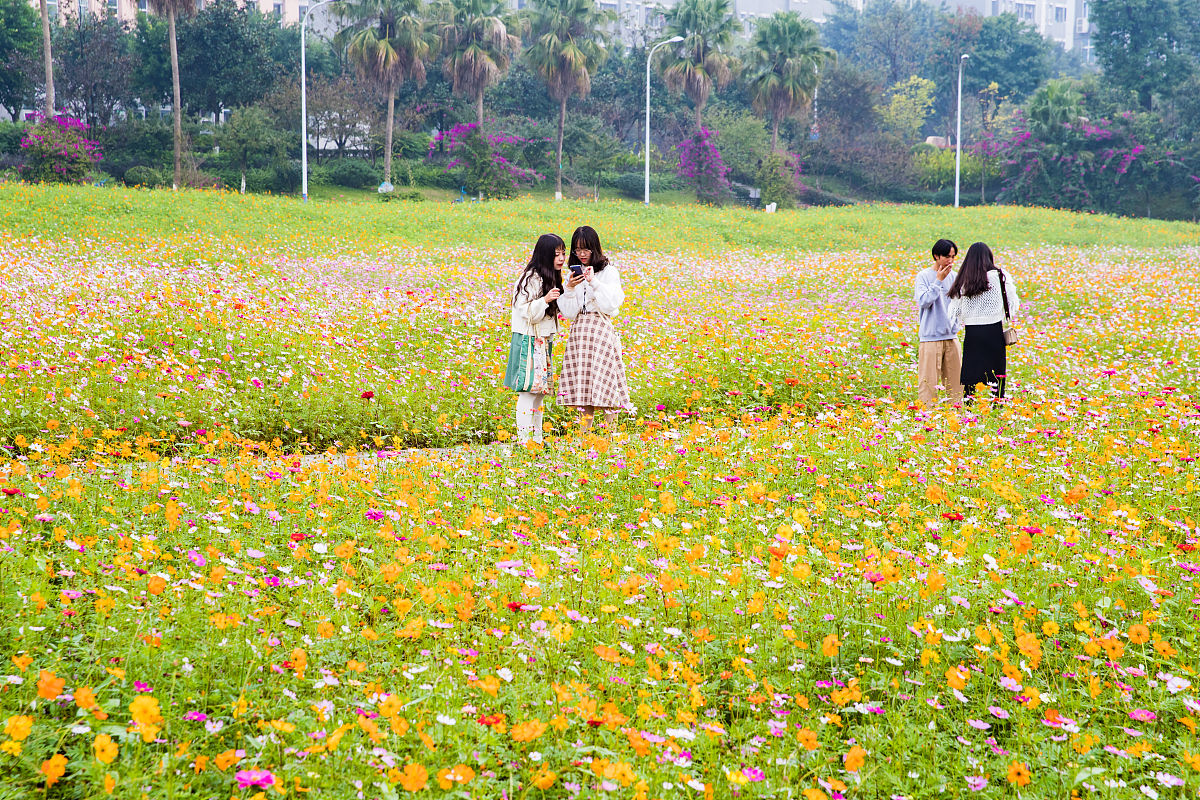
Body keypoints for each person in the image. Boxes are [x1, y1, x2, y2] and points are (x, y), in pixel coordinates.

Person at [557, 225, 629, 431]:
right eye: (577, 250)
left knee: (606, 384)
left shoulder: (608, 272)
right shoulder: (572, 275)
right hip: (580, 332)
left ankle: (611, 437)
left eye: (586, 249)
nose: (581, 254)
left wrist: (594, 282)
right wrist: (569, 288)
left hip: (600, 330)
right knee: (583, 388)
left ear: (594, 248)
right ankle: (583, 437)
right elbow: (569, 313)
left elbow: (611, 304)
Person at [503, 233, 565, 444]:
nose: (561, 258)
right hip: (529, 340)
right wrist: (545, 300)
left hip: (542, 340)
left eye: (563, 253)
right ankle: (524, 441)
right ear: (545, 254)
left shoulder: (550, 276)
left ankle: (536, 440)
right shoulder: (530, 277)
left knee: (539, 394)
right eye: (556, 254)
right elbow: (524, 311)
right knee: (528, 392)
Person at [947, 242, 1020, 399]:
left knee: (971, 373)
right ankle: (997, 405)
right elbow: (1013, 303)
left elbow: (954, 309)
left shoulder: (964, 279)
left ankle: (969, 408)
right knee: (997, 373)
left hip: (972, 333)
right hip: (994, 331)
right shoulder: (1000, 276)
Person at [914, 239, 962, 406]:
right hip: (930, 338)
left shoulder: (956, 277)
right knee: (928, 385)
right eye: (947, 257)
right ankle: (926, 419)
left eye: (953, 257)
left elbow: (959, 305)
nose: (950, 261)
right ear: (936, 256)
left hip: (951, 336)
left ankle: (957, 417)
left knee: (956, 385)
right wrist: (938, 281)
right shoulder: (923, 276)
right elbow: (924, 302)